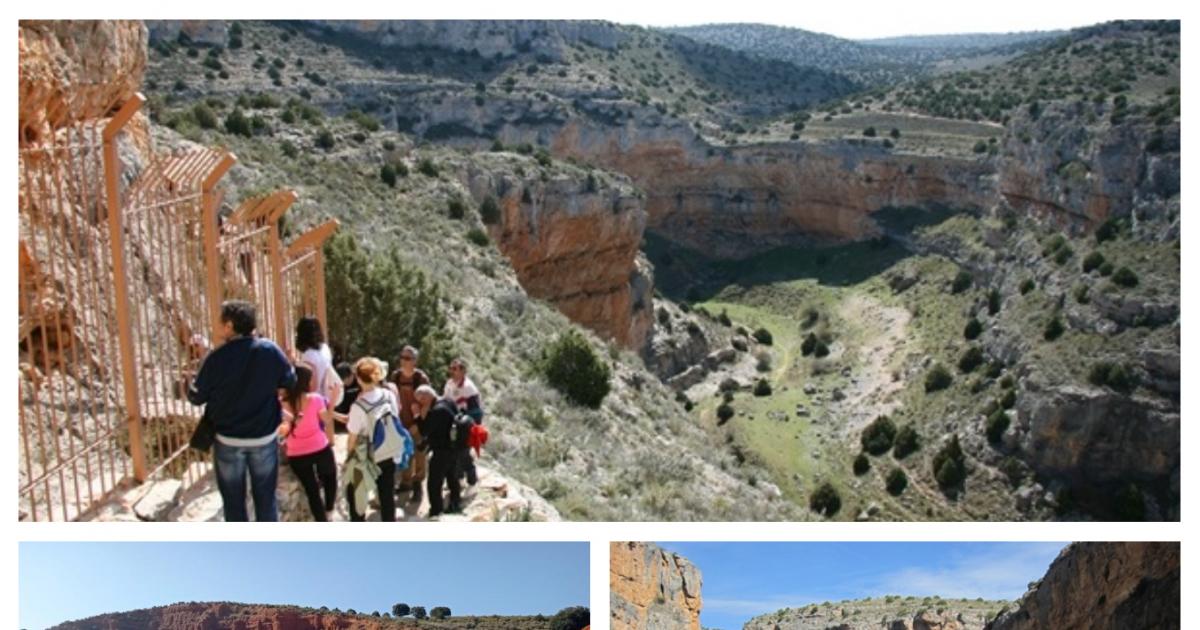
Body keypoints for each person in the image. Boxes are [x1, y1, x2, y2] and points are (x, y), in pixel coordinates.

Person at [188, 300, 295, 522]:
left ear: (229, 325)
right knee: (265, 498)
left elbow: (197, 397)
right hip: (263, 438)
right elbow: (290, 380)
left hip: (228, 440)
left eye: (221, 323)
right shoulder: (269, 350)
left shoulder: (216, 358)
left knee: (233, 502)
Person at [279, 363, 343, 521]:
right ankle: (329, 510)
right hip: (319, 448)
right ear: (307, 381)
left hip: (296, 453)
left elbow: (282, 430)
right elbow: (327, 420)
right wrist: (333, 399)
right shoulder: (315, 399)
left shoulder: (281, 402)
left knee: (311, 489)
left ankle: (321, 521)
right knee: (330, 476)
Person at [345, 357, 399, 522]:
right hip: (388, 451)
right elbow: (395, 418)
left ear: (358, 378)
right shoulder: (389, 395)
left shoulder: (358, 406)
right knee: (387, 495)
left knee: (355, 492)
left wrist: (348, 457)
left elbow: (352, 436)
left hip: (366, 456)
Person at [413, 385, 464, 517]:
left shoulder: (437, 411)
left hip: (441, 451)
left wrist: (417, 415)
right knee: (452, 478)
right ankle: (455, 504)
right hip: (454, 447)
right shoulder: (449, 401)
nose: (421, 403)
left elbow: (425, 430)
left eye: (421, 400)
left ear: (426, 398)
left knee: (434, 484)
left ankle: (436, 510)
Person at [389, 345, 430, 504]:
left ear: (414, 361)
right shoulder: (396, 376)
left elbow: (427, 402)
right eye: (402, 357)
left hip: (416, 423)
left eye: (407, 358)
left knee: (419, 454)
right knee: (405, 453)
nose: (403, 361)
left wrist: (419, 422)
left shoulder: (421, 378)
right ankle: (406, 483)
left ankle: (418, 485)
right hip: (401, 423)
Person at [295, 316, 342, 442]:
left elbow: (312, 385)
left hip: (315, 399)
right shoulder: (325, 348)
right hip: (326, 395)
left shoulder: (308, 355)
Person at [442, 357, 484, 485]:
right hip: (452, 421)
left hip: (465, 423)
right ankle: (457, 478)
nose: (452, 371)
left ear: (463, 371)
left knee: (463, 452)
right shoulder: (449, 384)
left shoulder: (468, 388)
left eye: (455, 369)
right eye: (451, 368)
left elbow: (476, 411)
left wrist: (471, 428)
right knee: (452, 451)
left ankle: (472, 479)